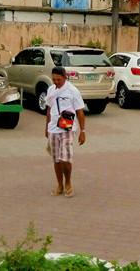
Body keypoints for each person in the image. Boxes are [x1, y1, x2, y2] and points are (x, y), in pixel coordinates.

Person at [44, 66, 86, 197]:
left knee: (65, 159)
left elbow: (80, 111)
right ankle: (59, 185)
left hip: (67, 127)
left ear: (65, 77)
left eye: (59, 79)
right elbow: (49, 109)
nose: (56, 82)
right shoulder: (51, 90)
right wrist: (46, 127)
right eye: (54, 79)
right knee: (56, 159)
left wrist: (83, 131)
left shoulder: (72, 91)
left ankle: (68, 183)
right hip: (53, 129)